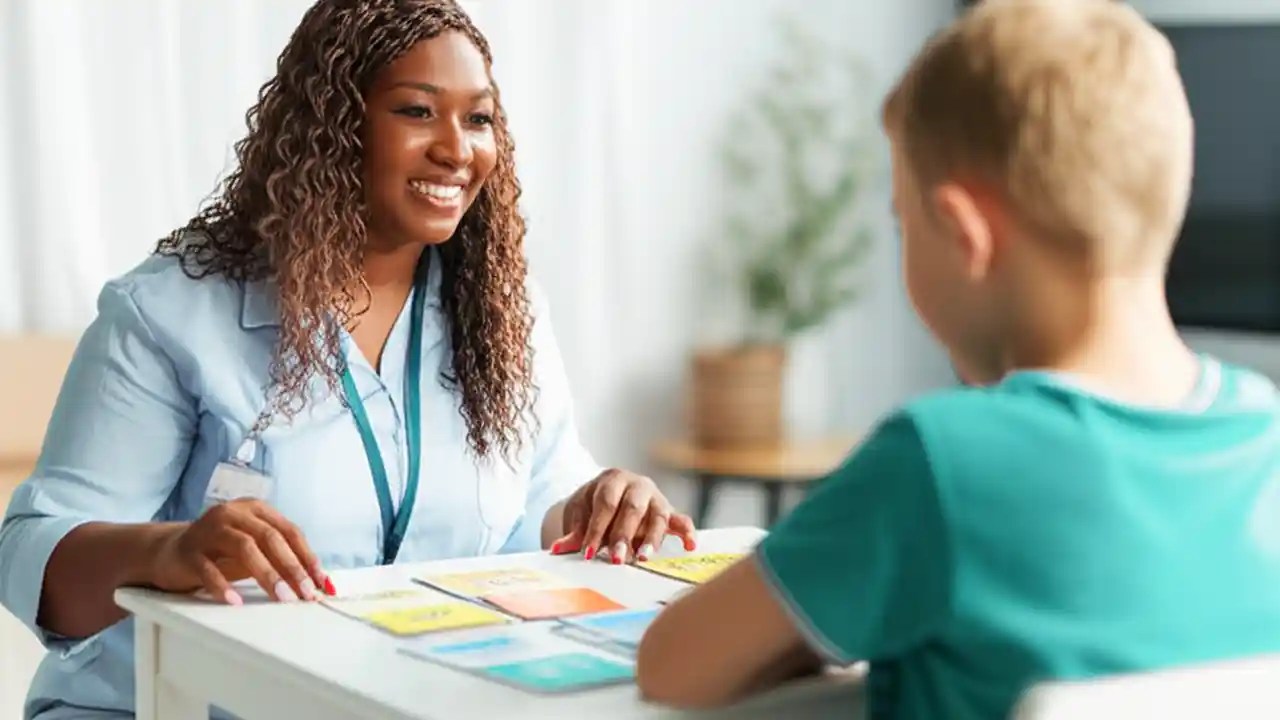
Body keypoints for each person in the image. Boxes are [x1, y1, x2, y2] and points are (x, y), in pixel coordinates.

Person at [0, 1, 694, 717]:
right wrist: (167, 554)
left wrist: (600, 507)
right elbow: (31, 555)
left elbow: (539, 514)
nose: (458, 149)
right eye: (418, 111)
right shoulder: (173, 313)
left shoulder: (501, 314)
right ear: (333, 127)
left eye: (478, 118)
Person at [635, 1, 1280, 718]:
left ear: (962, 232)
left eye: (902, 223)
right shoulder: (1266, 432)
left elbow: (673, 666)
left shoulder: (940, 463)